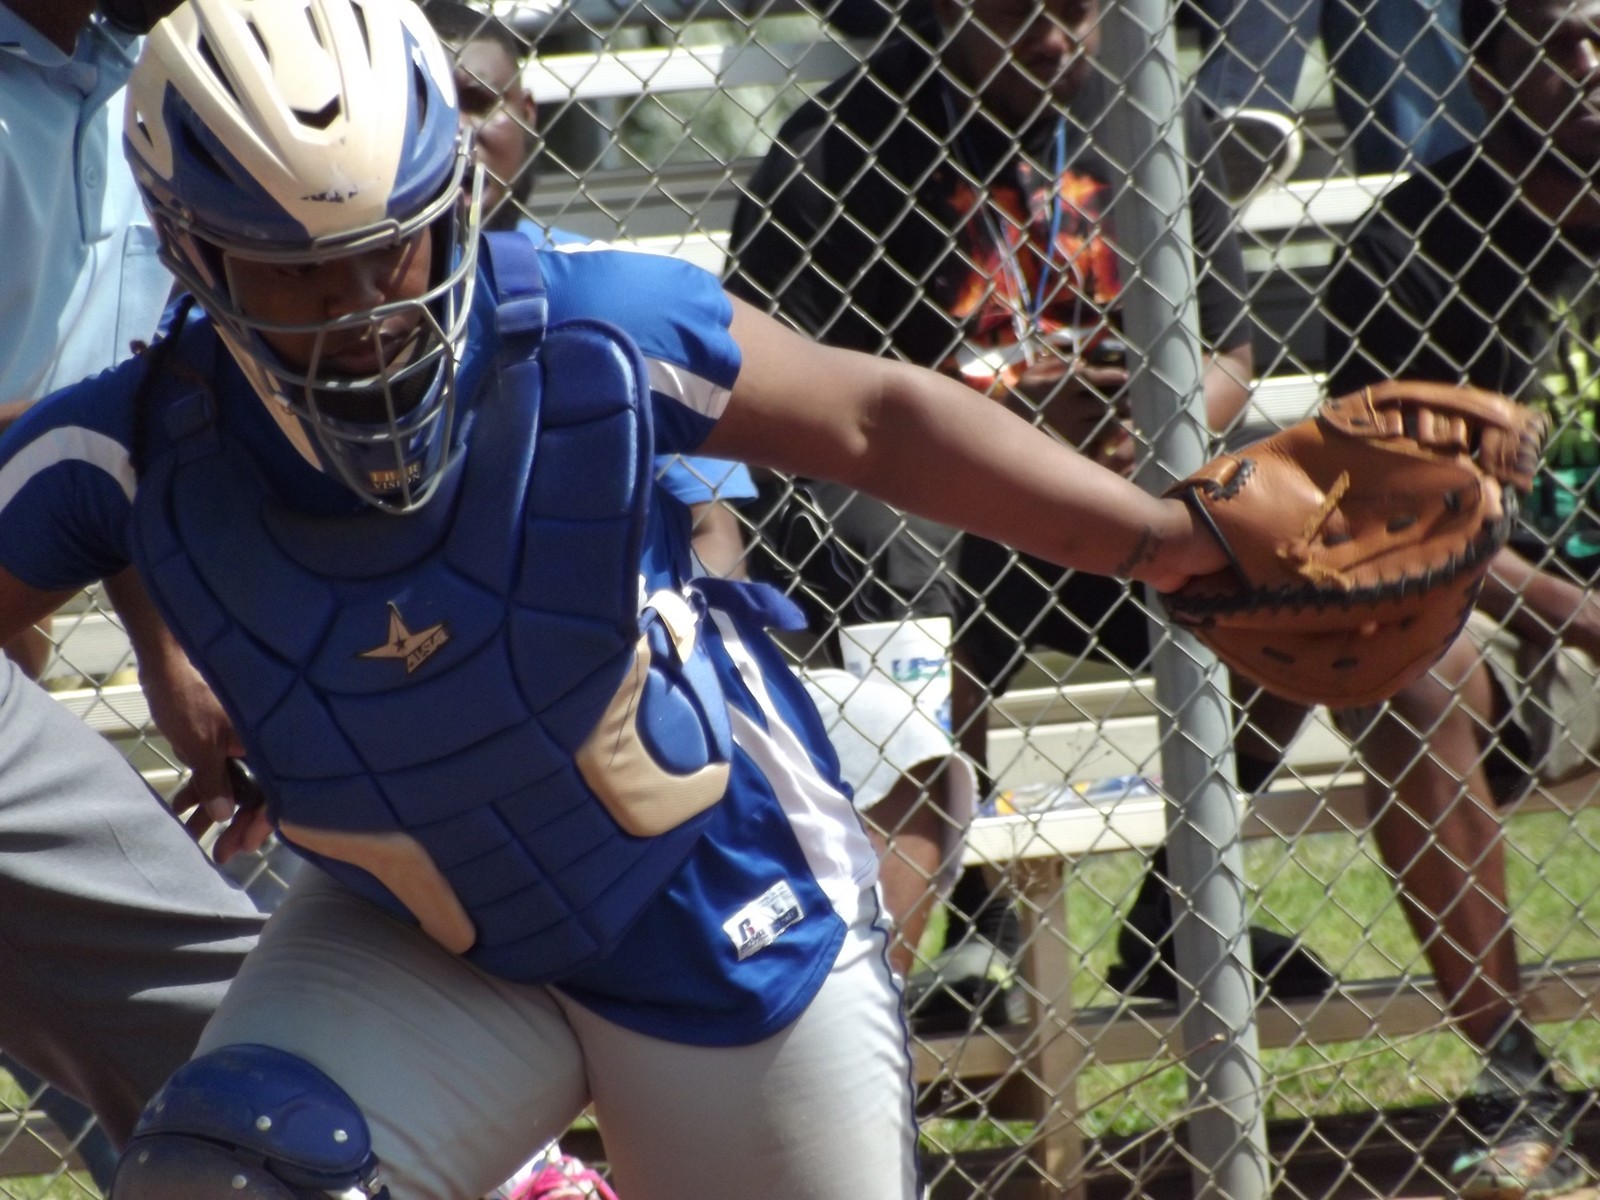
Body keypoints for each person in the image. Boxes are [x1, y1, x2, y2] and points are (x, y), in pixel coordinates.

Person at [0, 1, 1227, 1196]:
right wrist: (242, 679)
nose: (365, 307)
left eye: (394, 245)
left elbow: (874, 415)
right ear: (190, 252)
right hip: (413, 934)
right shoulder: (129, 446)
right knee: (226, 1171)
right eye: (298, 273)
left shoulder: (588, 327)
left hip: (703, 890)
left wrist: (1161, 541)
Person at [723, 0, 1332, 1015]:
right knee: (891, 553)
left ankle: (1179, 914)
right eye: (1015, 13)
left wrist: (1160, 426)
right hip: (940, 504)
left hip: (1121, 492)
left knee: (1302, 574)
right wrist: (991, 428)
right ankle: (972, 926)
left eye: (1076, 9)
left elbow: (1228, 348)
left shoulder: (1148, 117)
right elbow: (789, 379)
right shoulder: (842, 141)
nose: (1053, 34)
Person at [1323, 0, 1600, 1192]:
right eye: (1549, 41)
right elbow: (1384, 507)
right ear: (1483, 70)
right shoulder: (1412, 245)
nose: (1586, 66)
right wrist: (1577, 612)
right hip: (1499, 606)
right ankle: (1512, 1073)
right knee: (1411, 678)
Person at [0, 0, 266, 1175]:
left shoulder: (141, 85)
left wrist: (172, 644)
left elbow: (105, 424)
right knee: (256, 1059)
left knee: (226, 1072)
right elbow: (102, 424)